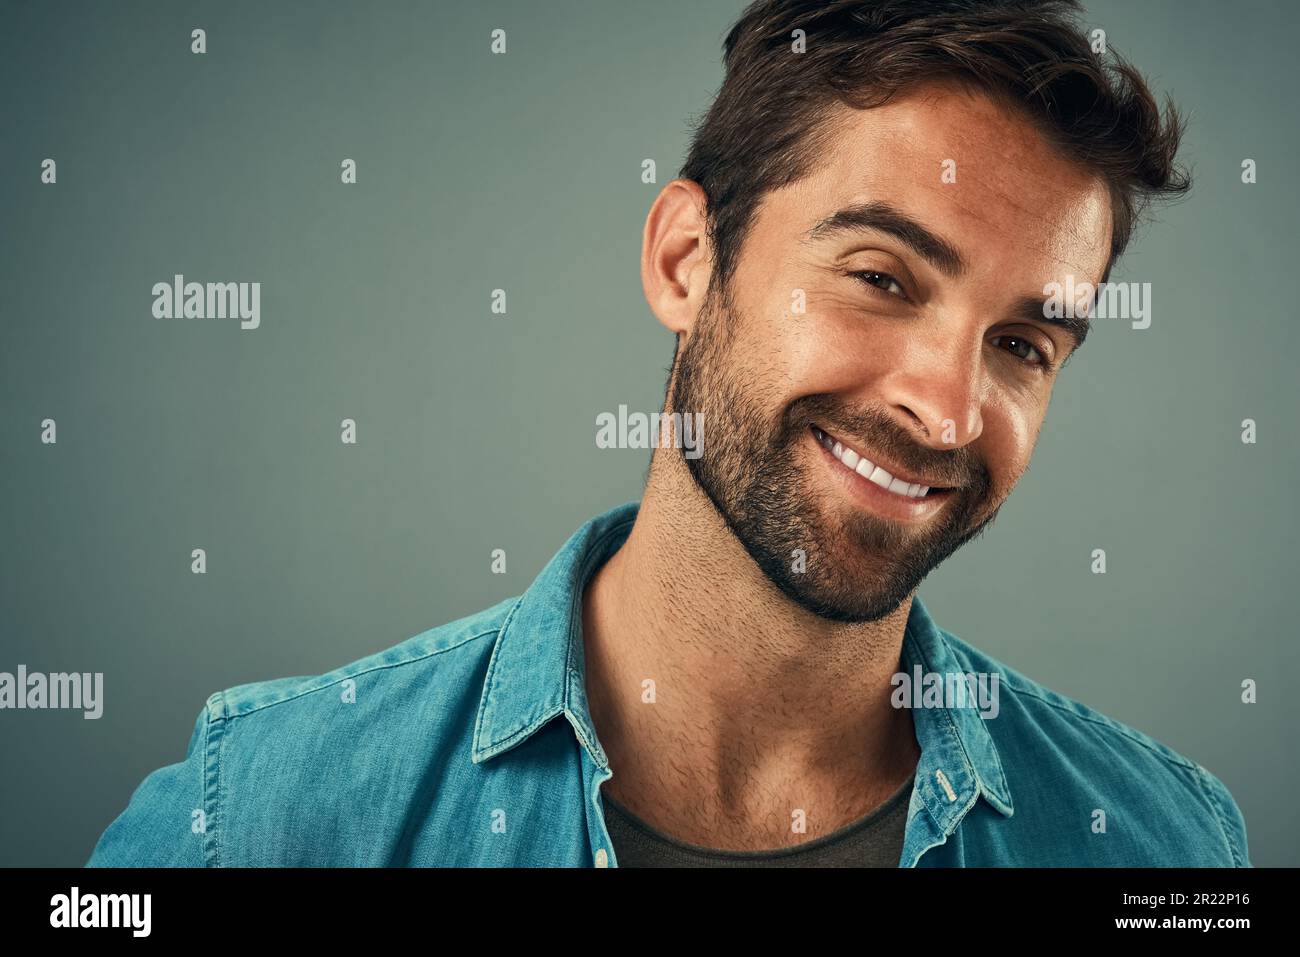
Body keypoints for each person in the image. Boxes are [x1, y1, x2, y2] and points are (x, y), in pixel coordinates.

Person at [87, 0, 1249, 867]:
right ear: (686, 260)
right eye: (880, 279)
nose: (942, 410)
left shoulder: (1161, 852)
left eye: (1021, 347)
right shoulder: (259, 818)